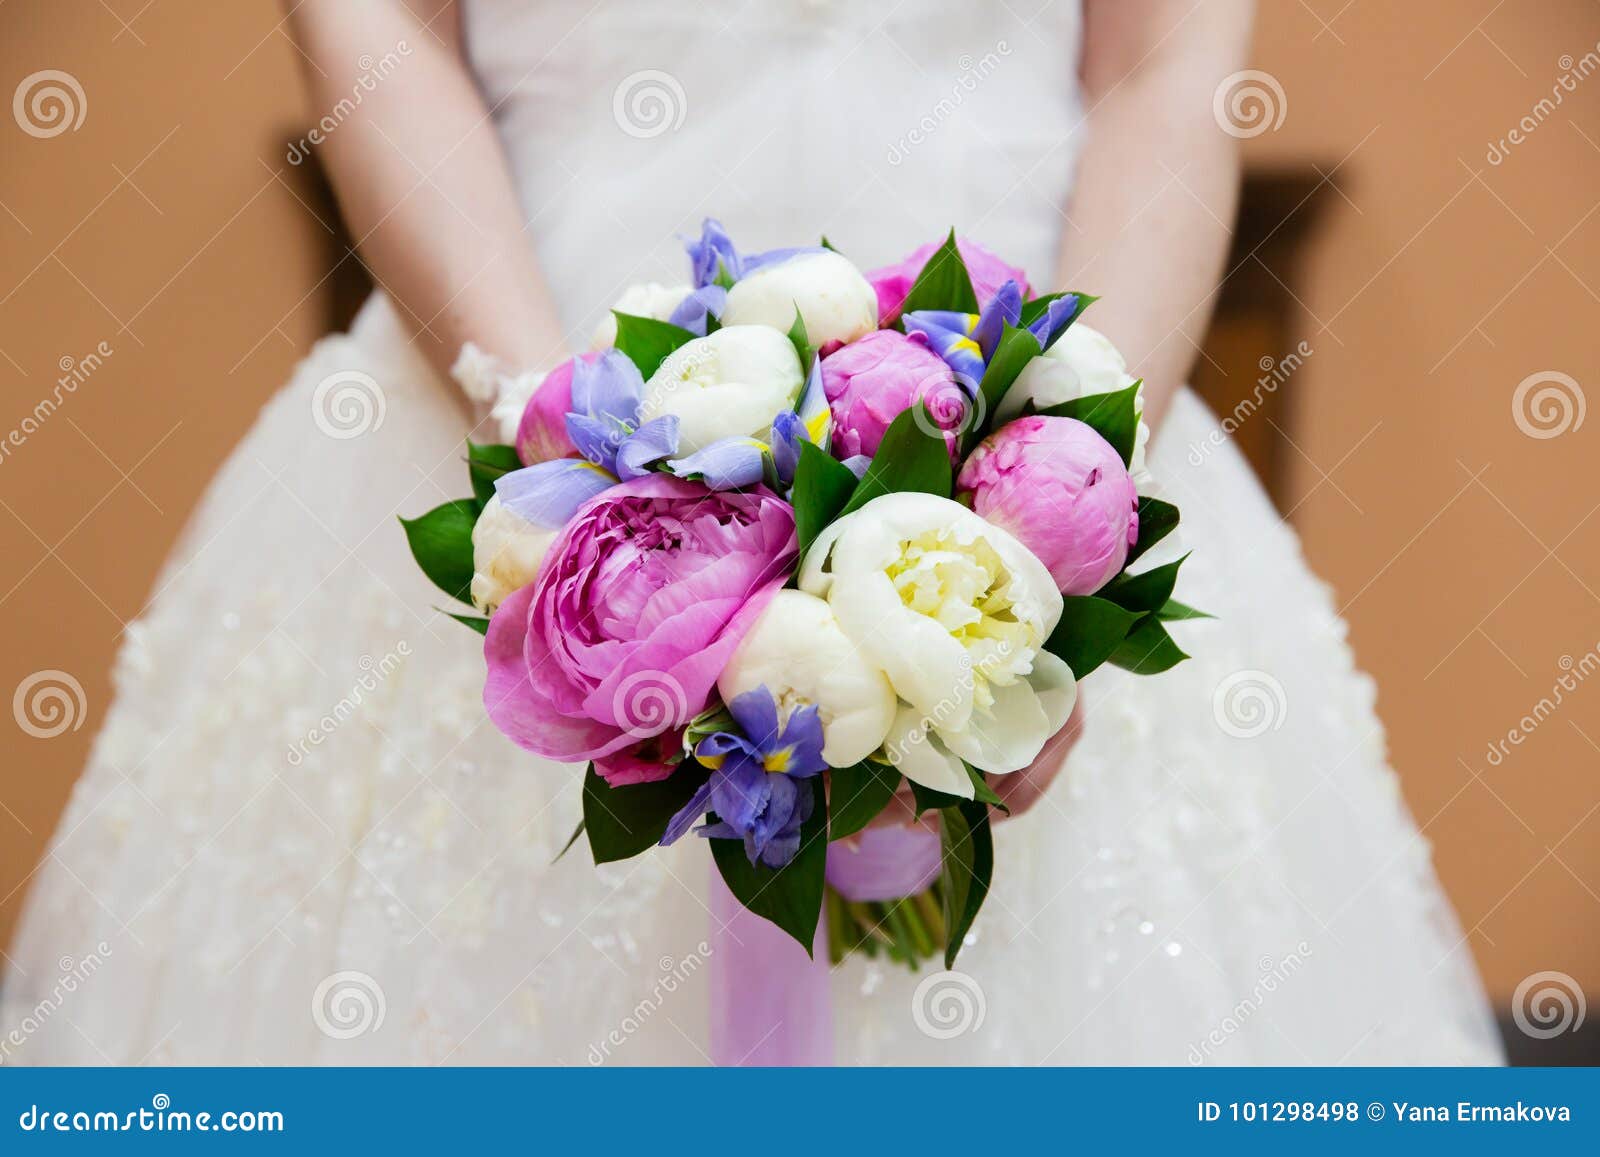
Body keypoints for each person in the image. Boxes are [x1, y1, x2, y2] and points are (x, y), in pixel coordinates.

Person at [2, 0, 1502, 1064]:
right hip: (522, 396)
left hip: (1006, 428)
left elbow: (1164, 74)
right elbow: (378, 23)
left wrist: (1057, 508)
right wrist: (554, 432)